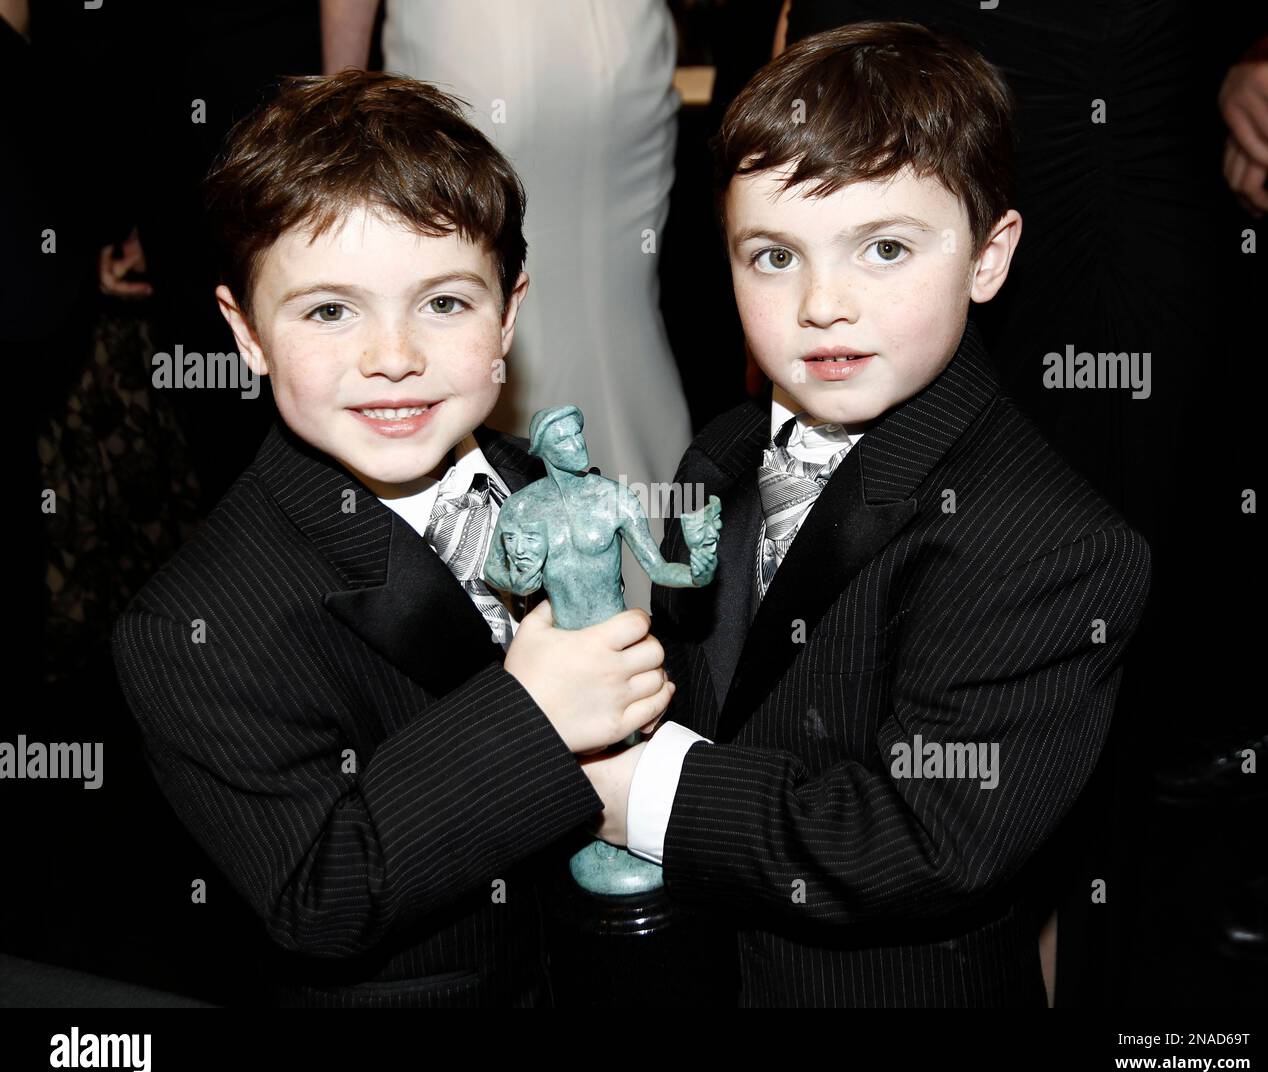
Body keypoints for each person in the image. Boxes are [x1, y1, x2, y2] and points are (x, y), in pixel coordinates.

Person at [581, 22, 1153, 1007]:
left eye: (882, 248)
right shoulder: (720, 450)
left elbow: (930, 835)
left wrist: (648, 794)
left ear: (988, 253)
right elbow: (698, 684)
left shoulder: (1051, 546)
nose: (822, 303)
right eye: (772, 256)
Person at [110, 71, 673, 1007]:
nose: (393, 356)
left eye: (445, 303)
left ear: (510, 312)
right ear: (245, 333)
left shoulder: (539, 480)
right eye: (330, 310)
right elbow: (322, 895)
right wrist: (530, 718)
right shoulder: (192, 629)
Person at [322, 0, 693, 615]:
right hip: (625, 40)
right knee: (596, 307)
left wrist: (340, 102)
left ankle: (504, 596)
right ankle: (656, 585)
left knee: (496, 292)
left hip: (478, 34)